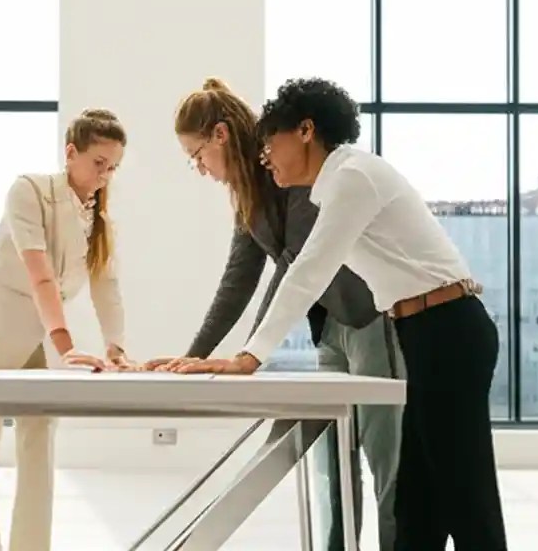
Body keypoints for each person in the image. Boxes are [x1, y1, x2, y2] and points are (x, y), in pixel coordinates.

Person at [170, 78, 507, 551]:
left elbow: (307, 270)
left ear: (305, 131)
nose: (265, 156)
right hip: (422, 328)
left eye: (271, 144)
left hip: (448, 329)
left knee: (462, 491)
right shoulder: (332, 187)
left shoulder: (352, 177)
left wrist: (249, 357)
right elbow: (271, 272)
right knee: (417, 499)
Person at [145, 77, 402, 551]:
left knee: (386, 463)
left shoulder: (289, 167)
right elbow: (239, 277)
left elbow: (298, 261)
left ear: (220, 135)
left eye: (196, 155)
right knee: (332, 465)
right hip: (330, 329)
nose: (199, 168)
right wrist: (193, 356)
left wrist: (249, 355)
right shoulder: (248, 192)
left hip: (371, 318)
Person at [0, 108, 134, 551]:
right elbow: (40, 275)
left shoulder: (99, 220)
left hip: (35, 347)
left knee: (39, 455)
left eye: (114, 167)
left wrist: (116, 348)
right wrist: (66, 347)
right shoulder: (28, 190)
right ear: (71, 153)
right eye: (99, 163)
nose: (106, 175)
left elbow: (107, 287)